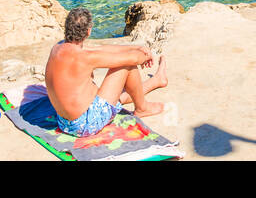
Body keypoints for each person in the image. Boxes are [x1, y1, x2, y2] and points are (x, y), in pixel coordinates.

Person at [44, 7, 167, 136]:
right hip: (85, 124)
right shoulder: (84, 58)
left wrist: (135, 47)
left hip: (65, 123)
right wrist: (146, 56)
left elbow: (98, 49)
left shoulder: (58, 47)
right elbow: (134, 59)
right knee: (127, 66)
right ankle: (142, 108)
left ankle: (157, 80)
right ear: (89, 31)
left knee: (119, 94)